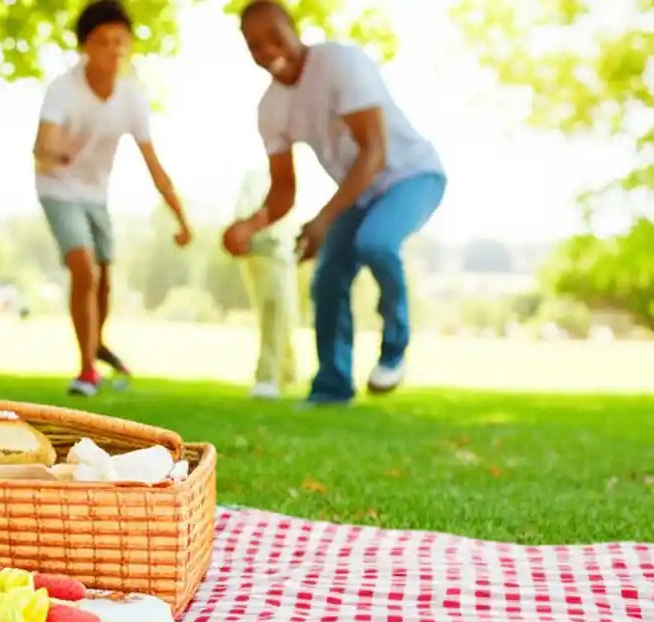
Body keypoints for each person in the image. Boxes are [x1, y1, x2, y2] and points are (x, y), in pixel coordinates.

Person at [224, 0, 446, 405]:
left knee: (376, 243)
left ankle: (393, 353)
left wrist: (324, 220)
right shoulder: (271, 108)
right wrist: (251, 225)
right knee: (328, 278)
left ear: (294, 29)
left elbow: (374, 153)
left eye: (275, 36)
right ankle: (332, 387)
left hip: (412, 176)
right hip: (359, 191)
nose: (268, 50)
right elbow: (283, 190)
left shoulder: (340, 63)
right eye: (255, 45)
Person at [34, 0, 191, 397]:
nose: (115, 50)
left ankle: (95, 344)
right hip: (57, 188)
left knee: (103, 278)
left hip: (95, 194)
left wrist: (182, 219)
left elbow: (154, 165)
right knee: (85, 269)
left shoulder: (131, 97)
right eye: (105, 42)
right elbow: (41, 147)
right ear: (87, 47)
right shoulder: (63, 90)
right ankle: (87, 370)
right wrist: (55, 155)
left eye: (122, 42)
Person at [229, 194, 299, 400]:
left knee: (285, 316)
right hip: (264, 250)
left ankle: (286, 374)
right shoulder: (261, 173)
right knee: (273, 310)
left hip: (286, 252)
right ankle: (267, 378)